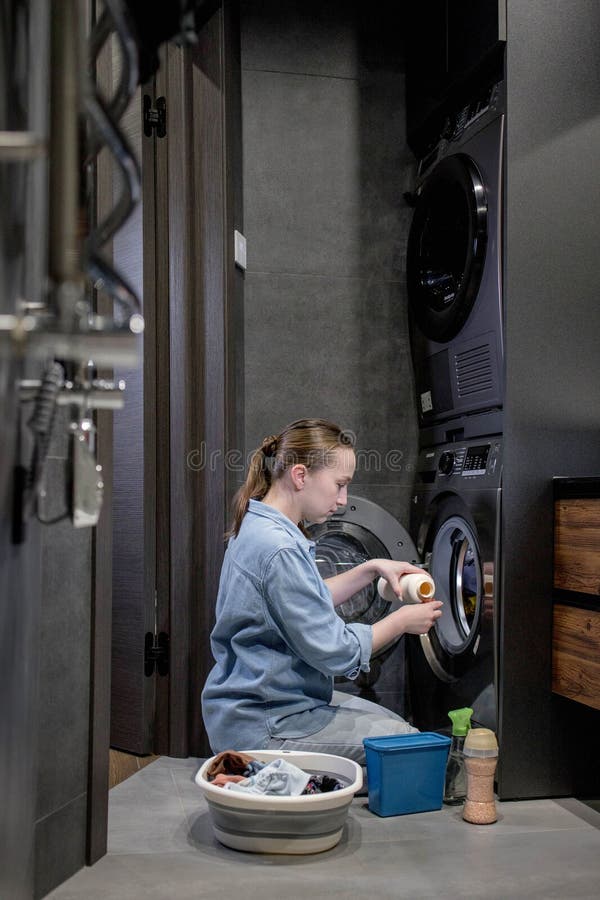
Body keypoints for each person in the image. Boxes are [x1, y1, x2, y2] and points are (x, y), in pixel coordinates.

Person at [201, 418, 442, 766]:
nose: (343, 500)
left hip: (259, 710)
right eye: (339, 485)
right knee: (410, 747)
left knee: (395, 728)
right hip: (267, 725)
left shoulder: (259, 524)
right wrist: (402, 621)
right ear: (300, 476)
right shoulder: (278, 547)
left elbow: (303, 600)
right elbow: (334, 652)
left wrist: (370, 568)